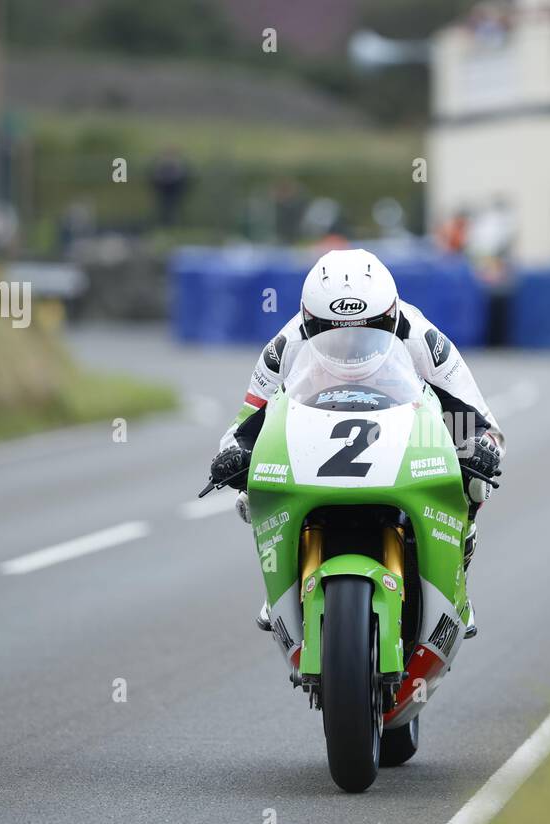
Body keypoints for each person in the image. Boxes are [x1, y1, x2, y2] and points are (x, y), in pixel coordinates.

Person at [208, 248, 504, 631]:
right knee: (249, 494)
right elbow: (247, 420)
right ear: (308, 321)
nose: (349, 345)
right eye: (332, 331)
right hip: (315, 434)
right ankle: (280, 589)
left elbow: (474, 413)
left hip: (406, 426)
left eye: (370, 329)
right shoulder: (285, 345)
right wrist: (233, 454)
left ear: (392, 316)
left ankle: (455, 569)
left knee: (475, 481)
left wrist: (480, 449)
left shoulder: (424, 338)